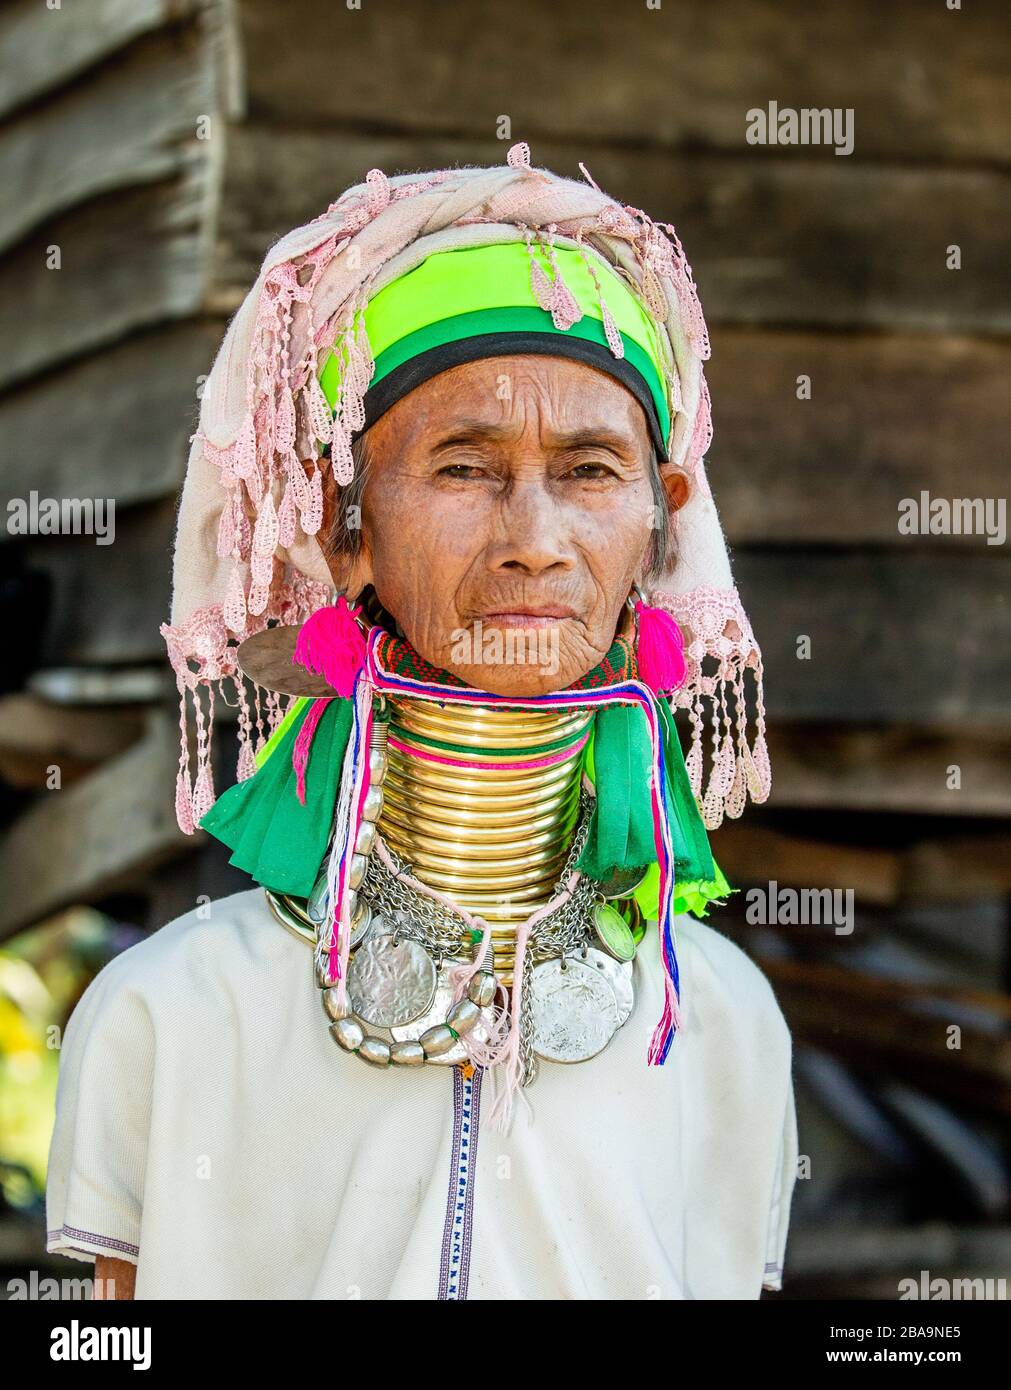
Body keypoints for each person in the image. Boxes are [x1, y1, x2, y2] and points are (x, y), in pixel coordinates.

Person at [46, 146, 796, 1300]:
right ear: (344, 528)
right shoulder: (170, 1016)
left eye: (592, 470)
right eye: (464, 467)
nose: (535, 539)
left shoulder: (720, 1026)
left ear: (659, 522)